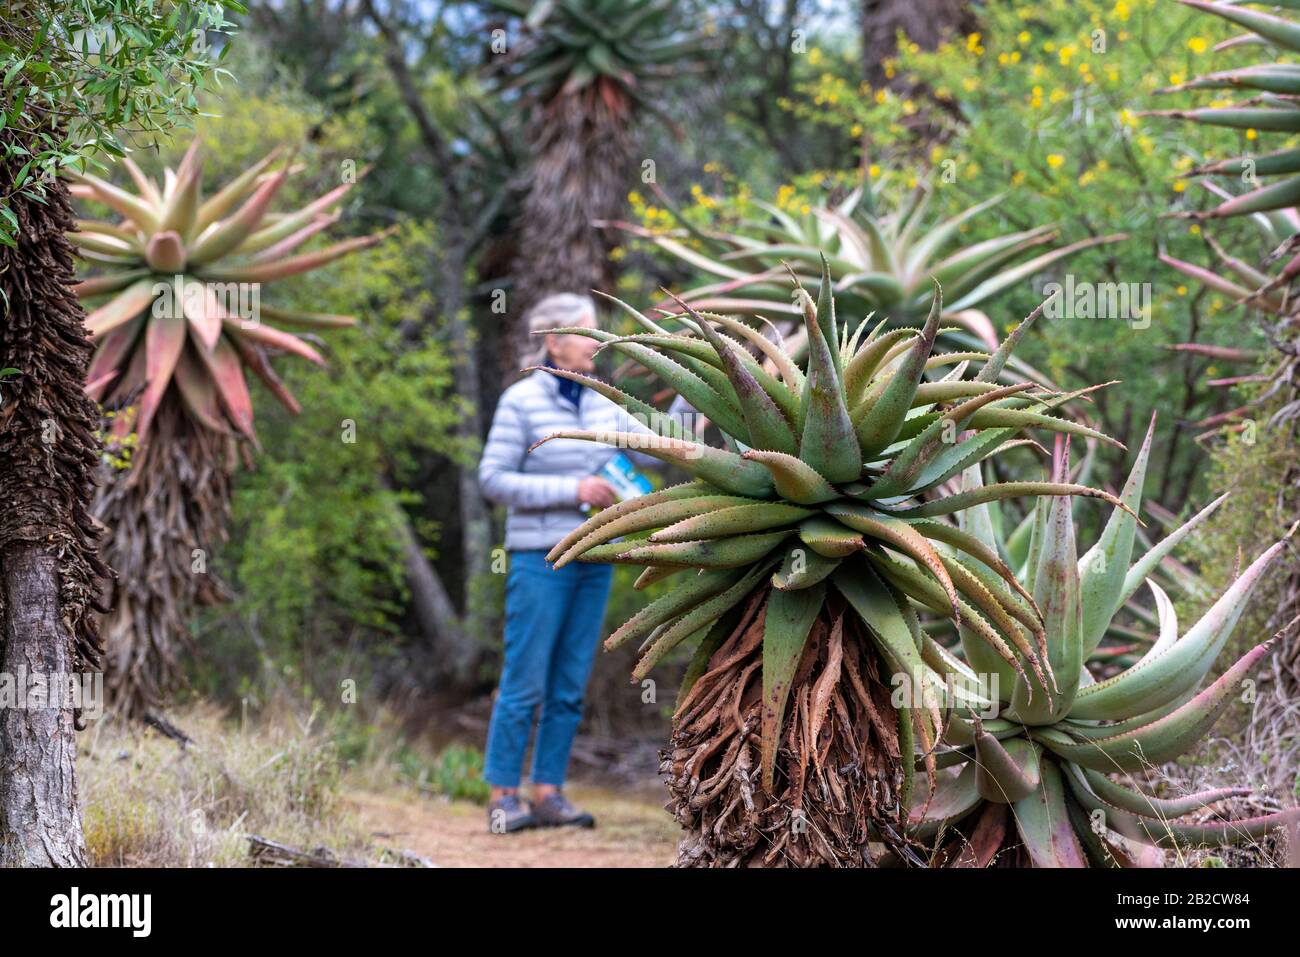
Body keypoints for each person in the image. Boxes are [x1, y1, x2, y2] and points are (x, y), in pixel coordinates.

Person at [477, 293, 636, 834]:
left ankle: (548, 791)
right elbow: (493, 478)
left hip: (595, 555)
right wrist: (574, 488)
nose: (598, 342)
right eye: (588, 332)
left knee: (570, 681)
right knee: (525, 678)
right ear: (554, 342)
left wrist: (691, 380)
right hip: (538, 557)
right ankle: (504, 794)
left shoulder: (602, 402)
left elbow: (657, 443)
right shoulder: (520, 401)